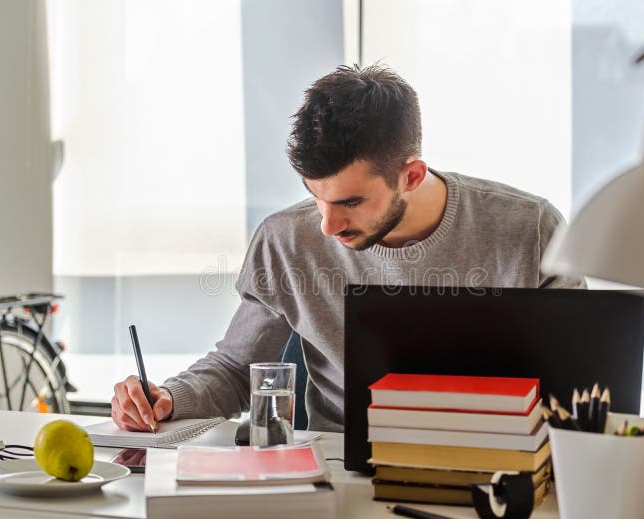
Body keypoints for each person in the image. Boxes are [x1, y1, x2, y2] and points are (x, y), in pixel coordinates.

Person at [111, 65, 584, 433]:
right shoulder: (286, 239)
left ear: (411, 176)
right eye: (315, 196)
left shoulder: (530, 229)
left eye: (351, 202)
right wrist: (169, 396)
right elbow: (237, 370)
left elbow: (582, 384)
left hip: (503, 462)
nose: (327, 224)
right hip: (345, 468)